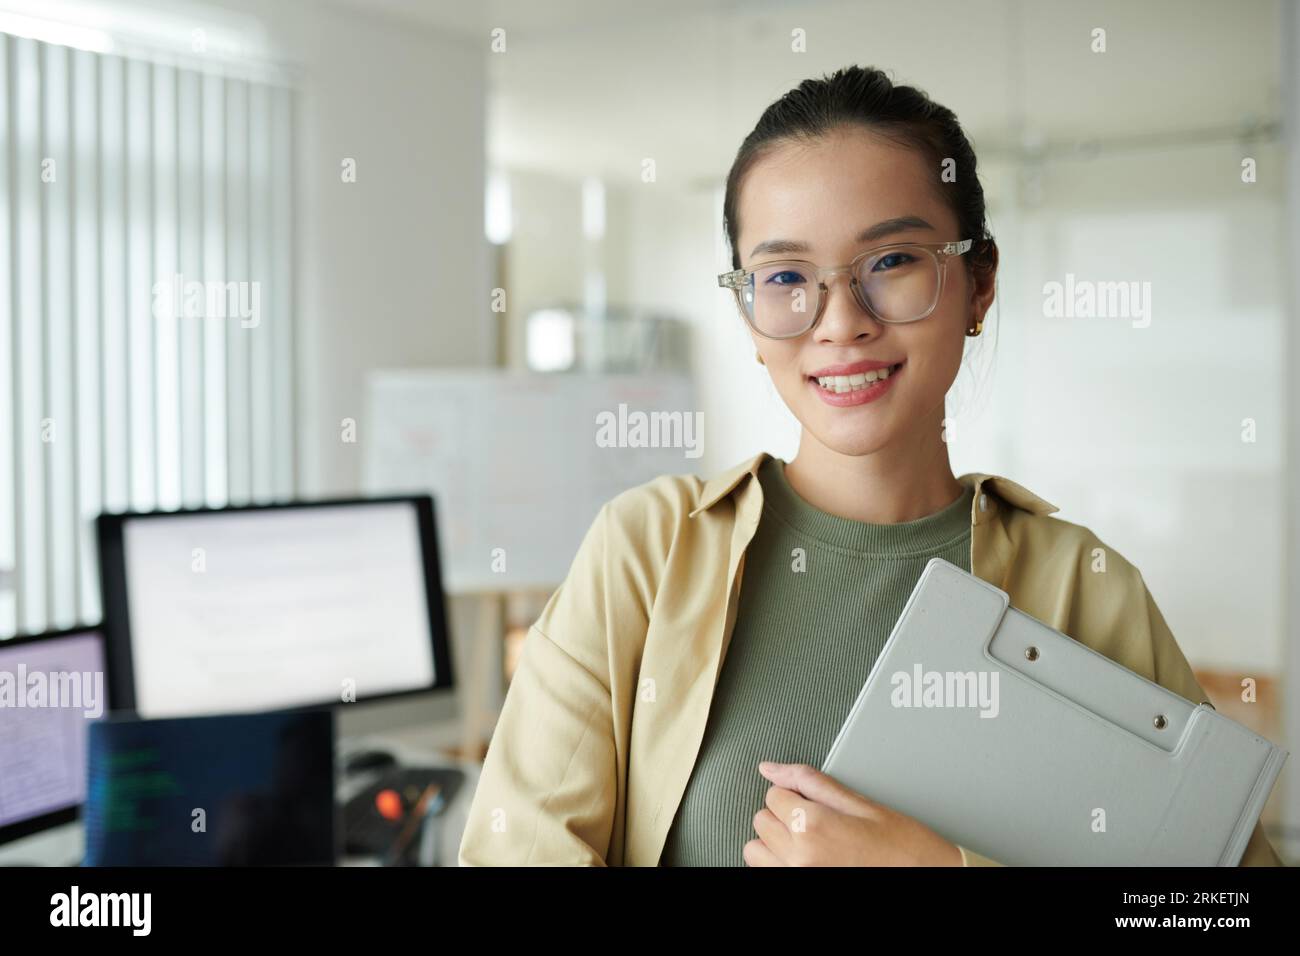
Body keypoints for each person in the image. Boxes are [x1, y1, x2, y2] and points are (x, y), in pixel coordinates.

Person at [458, 65, 1283, 867]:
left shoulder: (1090, 588)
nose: (840, 322)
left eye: (890, 261)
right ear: (748, 312)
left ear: (979, 283)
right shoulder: (645, 552)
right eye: (786, 277)